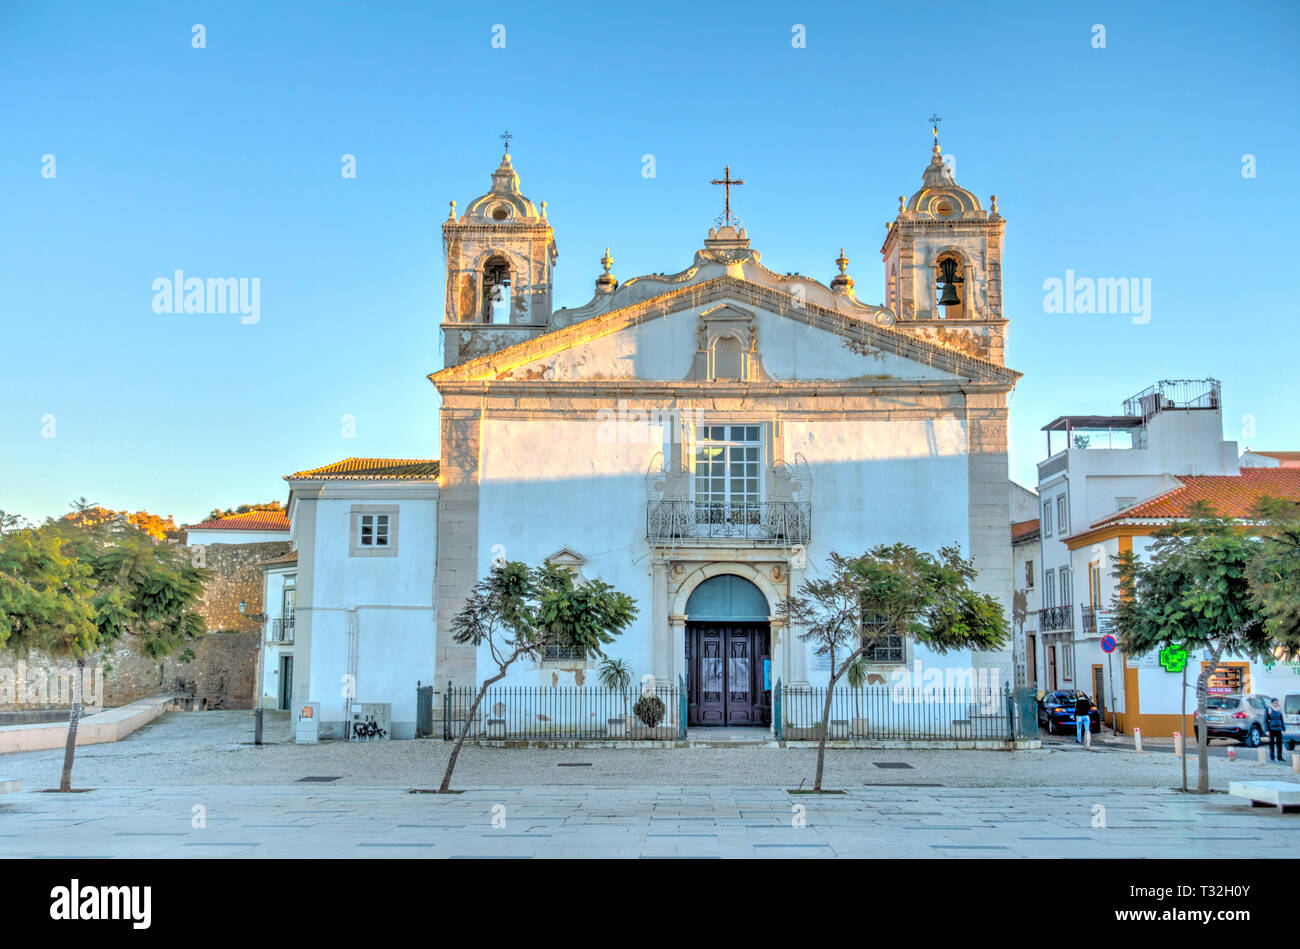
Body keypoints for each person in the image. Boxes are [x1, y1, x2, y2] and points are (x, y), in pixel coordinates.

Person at [1266, 698, 1286, 762]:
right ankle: (1272, 757)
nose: (1276, 704)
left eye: (1277, 702)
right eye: (1275, 703)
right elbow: (1265, 720)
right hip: (1271, 729)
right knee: (1271, 744)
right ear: (1272, 703)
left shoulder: (1279, 709)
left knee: (1279, 744)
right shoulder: (1269, 709)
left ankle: (1280, 757)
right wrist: (1266, 730)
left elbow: (1281, 719)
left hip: (1278, 729)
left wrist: (1283, 728)